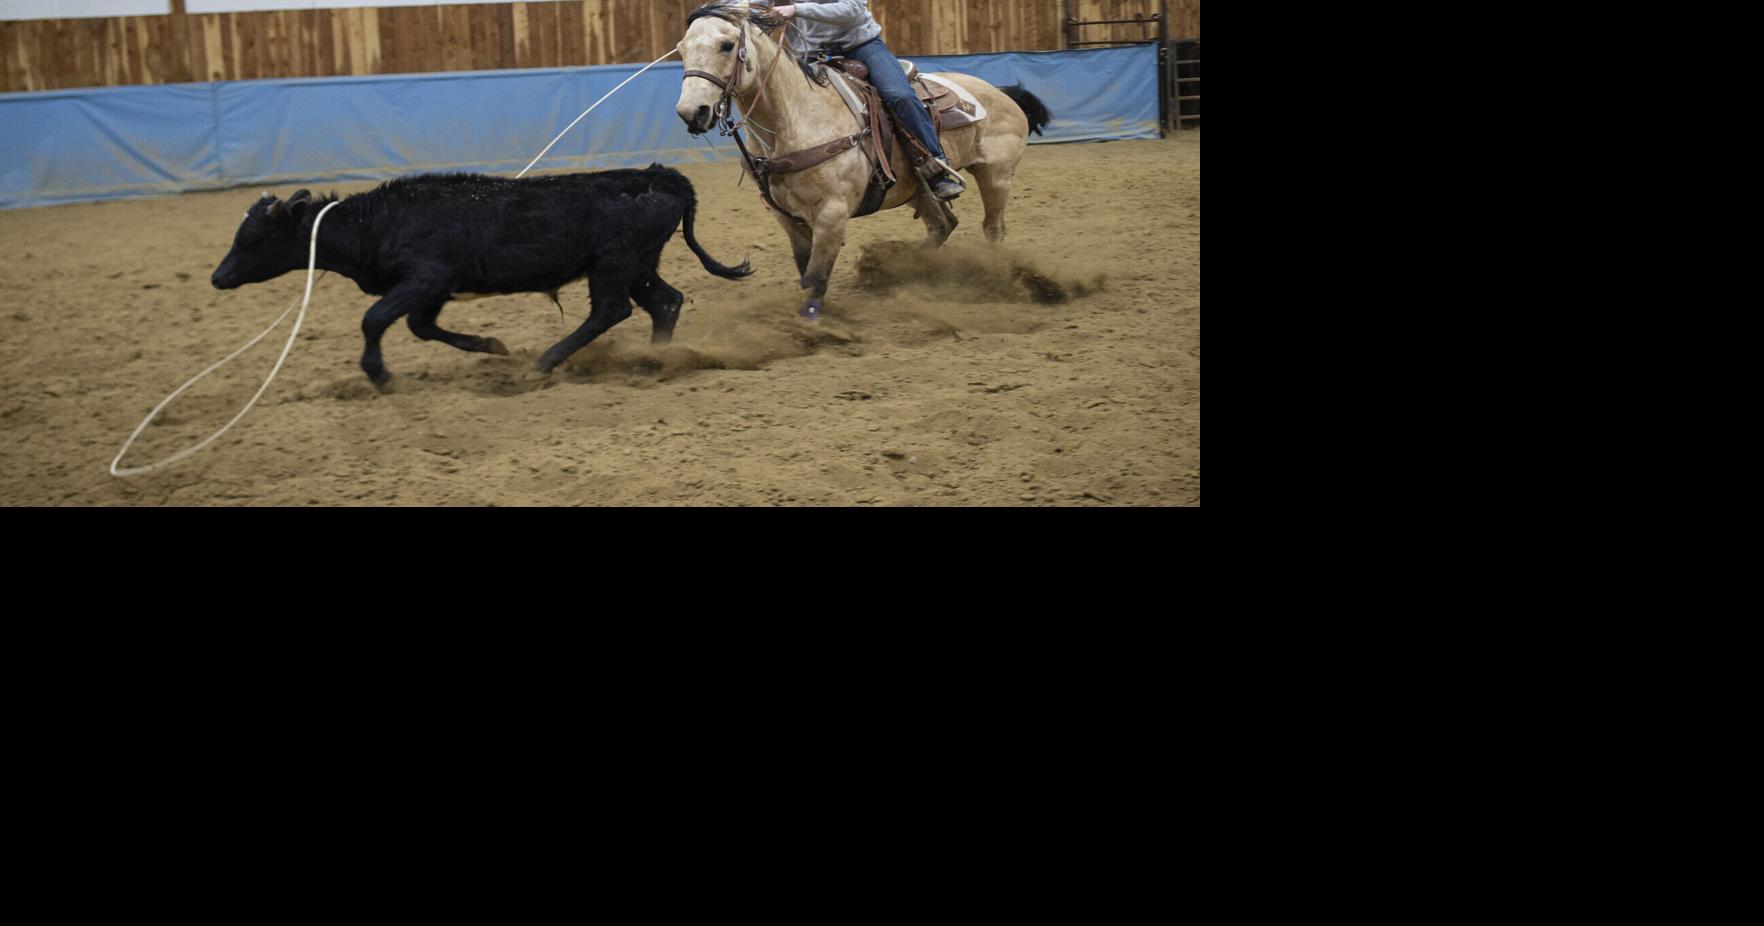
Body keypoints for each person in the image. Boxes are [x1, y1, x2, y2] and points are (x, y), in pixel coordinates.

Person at [758, 1, 967, 200]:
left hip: (860, 45)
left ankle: (936, 167)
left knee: (899, 95)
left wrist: (796, 9)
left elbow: (853, 9)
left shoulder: (802, 9)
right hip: (809, 52)